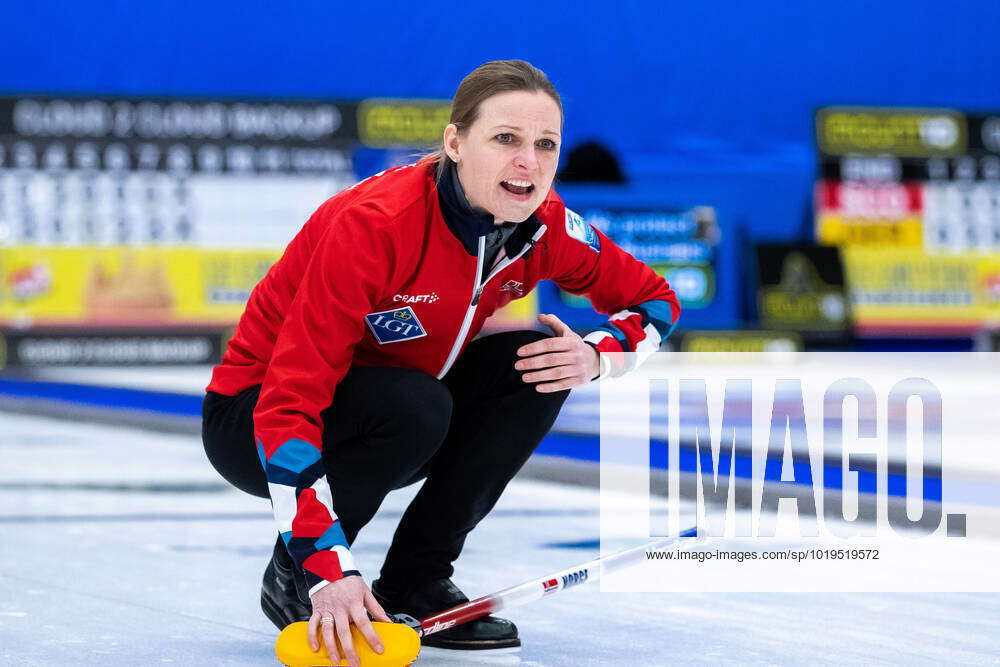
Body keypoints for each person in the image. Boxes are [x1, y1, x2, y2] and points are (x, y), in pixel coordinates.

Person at [201, 59, 679, 666]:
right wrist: (324, 567)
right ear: (454, 143)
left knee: (533, 366)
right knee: (416, 406)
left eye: (545, 144)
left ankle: (416, 582)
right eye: (505, 139)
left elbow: (655, 300)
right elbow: (290, 402)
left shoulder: (548, 224)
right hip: (253, 418)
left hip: (404, 408)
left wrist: (596, 355)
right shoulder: (375, 226)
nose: (527, 162)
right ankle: (290, 578)